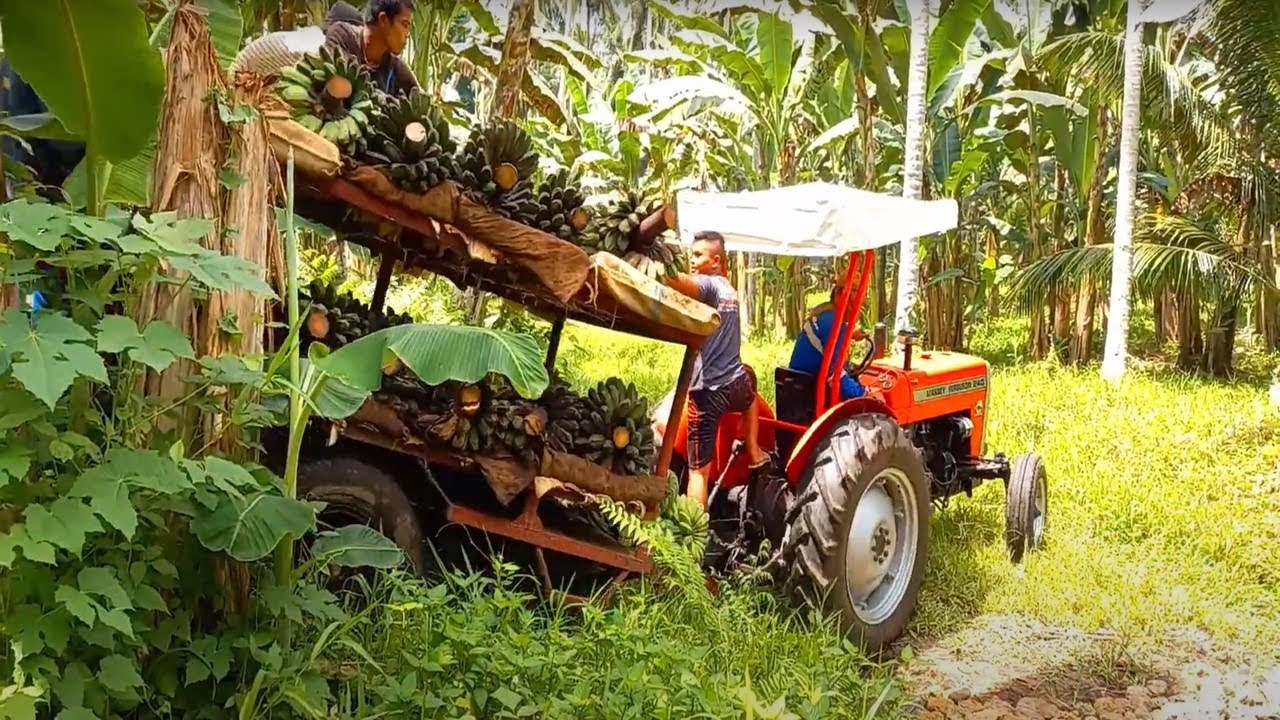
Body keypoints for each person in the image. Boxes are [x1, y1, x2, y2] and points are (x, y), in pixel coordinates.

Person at [664, 230, 771, 508]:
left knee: (699, 473)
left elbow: (675, 282)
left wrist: (655, 261)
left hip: (708, 393)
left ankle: (692, 534)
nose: (692, 259)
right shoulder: (730, 291)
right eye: (692, 253)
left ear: (716, 261)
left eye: (698, 255)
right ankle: (754, 449)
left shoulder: (708, 287)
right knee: (750, 386)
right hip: (735, 385)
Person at [787, 282, 867, 400]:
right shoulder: (835, 326)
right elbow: (835, 376)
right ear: (838, 295)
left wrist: (850, 335)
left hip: (798, 384)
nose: (857, 311)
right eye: (853, 304)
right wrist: (863, 393)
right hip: (809, 393)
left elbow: (823, 342)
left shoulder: (825, 315)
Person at [323, 0, 420, 97]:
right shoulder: (342, 37)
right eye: (405, 25)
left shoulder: (394, 66)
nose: (407, 34)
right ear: (383, 20)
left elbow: (418, 97)